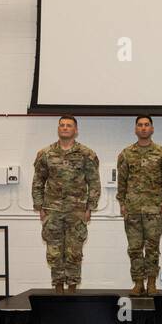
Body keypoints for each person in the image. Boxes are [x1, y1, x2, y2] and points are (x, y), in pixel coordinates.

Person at [33, 115, 101, 291]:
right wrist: (39, 206)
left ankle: (72, 288)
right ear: (58, 129)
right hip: (52, 209)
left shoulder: (86, 154)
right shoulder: (45, 154)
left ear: (75, 130)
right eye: (61, 125)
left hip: (76, 210)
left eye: (69, 125)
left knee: (74, 251)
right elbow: (38, 181)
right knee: (54, 252)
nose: (64, 128)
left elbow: (94, 182)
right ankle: (58, 287)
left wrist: (90, 207)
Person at [117, 115, 162, 295]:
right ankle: (138, 283)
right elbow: (122, 180)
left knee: (152, 247)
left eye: (146, 125)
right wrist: (122, 202)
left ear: (152, 129)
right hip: (132, 208)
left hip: (153, 209)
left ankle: (151, 283)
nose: (143, 128)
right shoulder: (126, 153)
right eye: (140, 125)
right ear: (135, 129)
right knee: (134, 248)